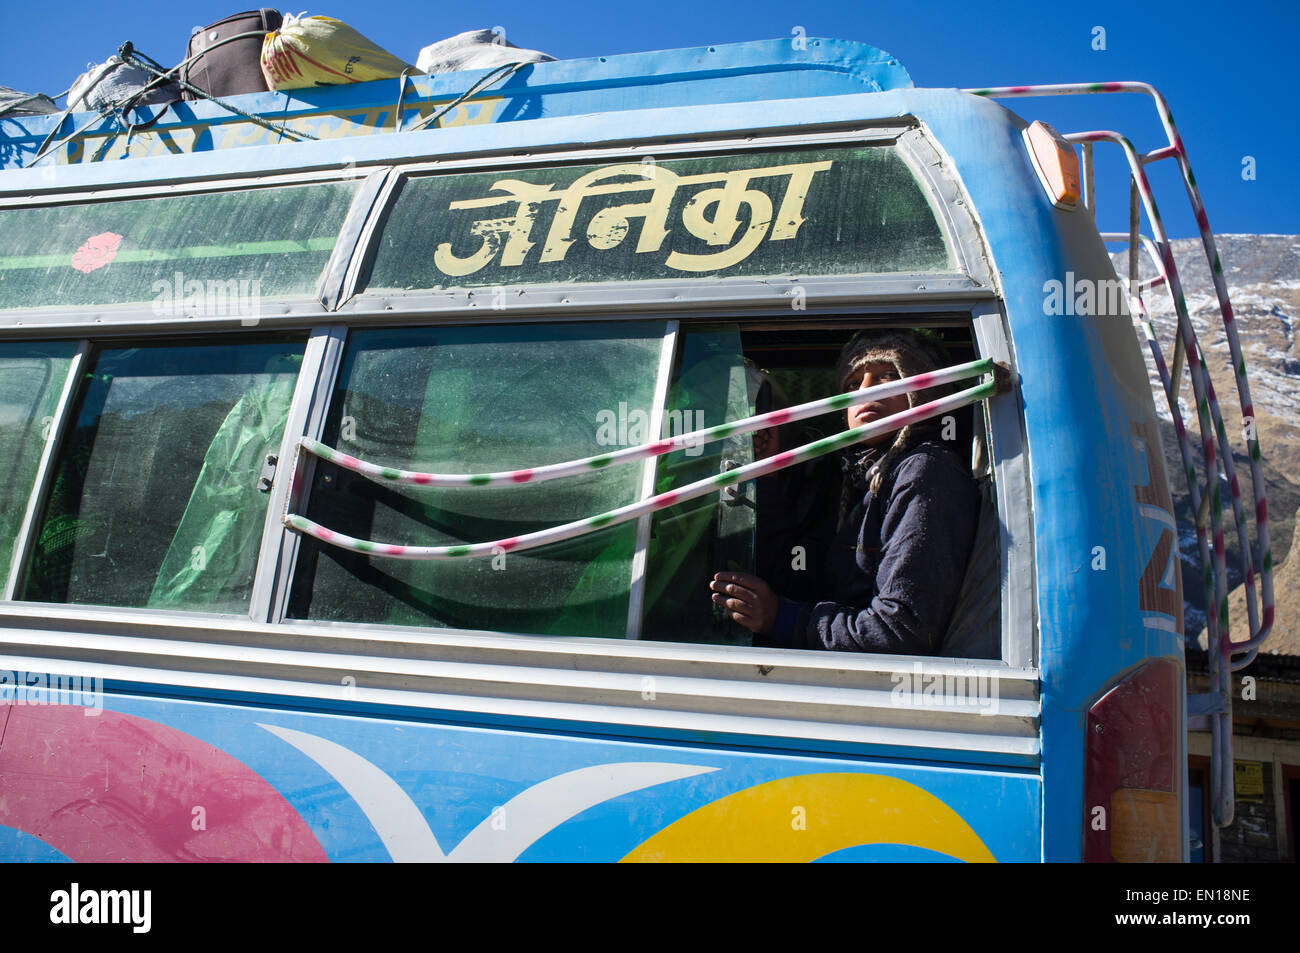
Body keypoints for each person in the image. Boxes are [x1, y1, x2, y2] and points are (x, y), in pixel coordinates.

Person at [709, 330, 979, 654]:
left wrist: (782, 619)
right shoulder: (854, 478)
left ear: (925, 388)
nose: (864, 392)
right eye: (853, 384)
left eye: (888, 376)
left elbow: (899, 632)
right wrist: (767, 476)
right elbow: (802, 581)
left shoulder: (926, 472)